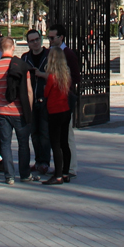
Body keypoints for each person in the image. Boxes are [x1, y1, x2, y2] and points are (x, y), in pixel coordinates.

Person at [0, 36, 33, 185]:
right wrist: (30, 109)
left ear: (0, 48)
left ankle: (9, 176)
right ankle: (25, 174)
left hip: (2, 111)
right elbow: (28, 90)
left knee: (5, 144)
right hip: (19, 111)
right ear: (13, 47)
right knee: (23, 143)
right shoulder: (21, 65)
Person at [46, 25, 82, 179]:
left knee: (66, 137)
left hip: (62, 100)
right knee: (62, 138)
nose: (50, 40)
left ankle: (70, 168)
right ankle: (63, 169)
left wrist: (62, 84)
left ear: (61, 38)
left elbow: (76, 76)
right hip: (59, 99)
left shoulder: (67, 54)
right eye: (49, 37)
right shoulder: (53, 53)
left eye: (52, 37)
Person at [20, 29, 50, 180]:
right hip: (31, 101)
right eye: (32, 41)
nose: (35, 43)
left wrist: (41, 74)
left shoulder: (49, 55)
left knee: (45, 133)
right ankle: (38, 161)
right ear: (28, 43)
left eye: (37, 39)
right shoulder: (25, 58)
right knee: (34, 133)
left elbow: (57, 75)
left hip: (45, 99)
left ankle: (45, 161)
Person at [41, 45, 74, 185]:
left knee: (55, 144)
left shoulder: (51, 77)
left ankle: (58, 174)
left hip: (54, 111)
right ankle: (66, 172)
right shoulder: (66, 75)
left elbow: (46, 93)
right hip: (65, 110)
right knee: (64, 143)